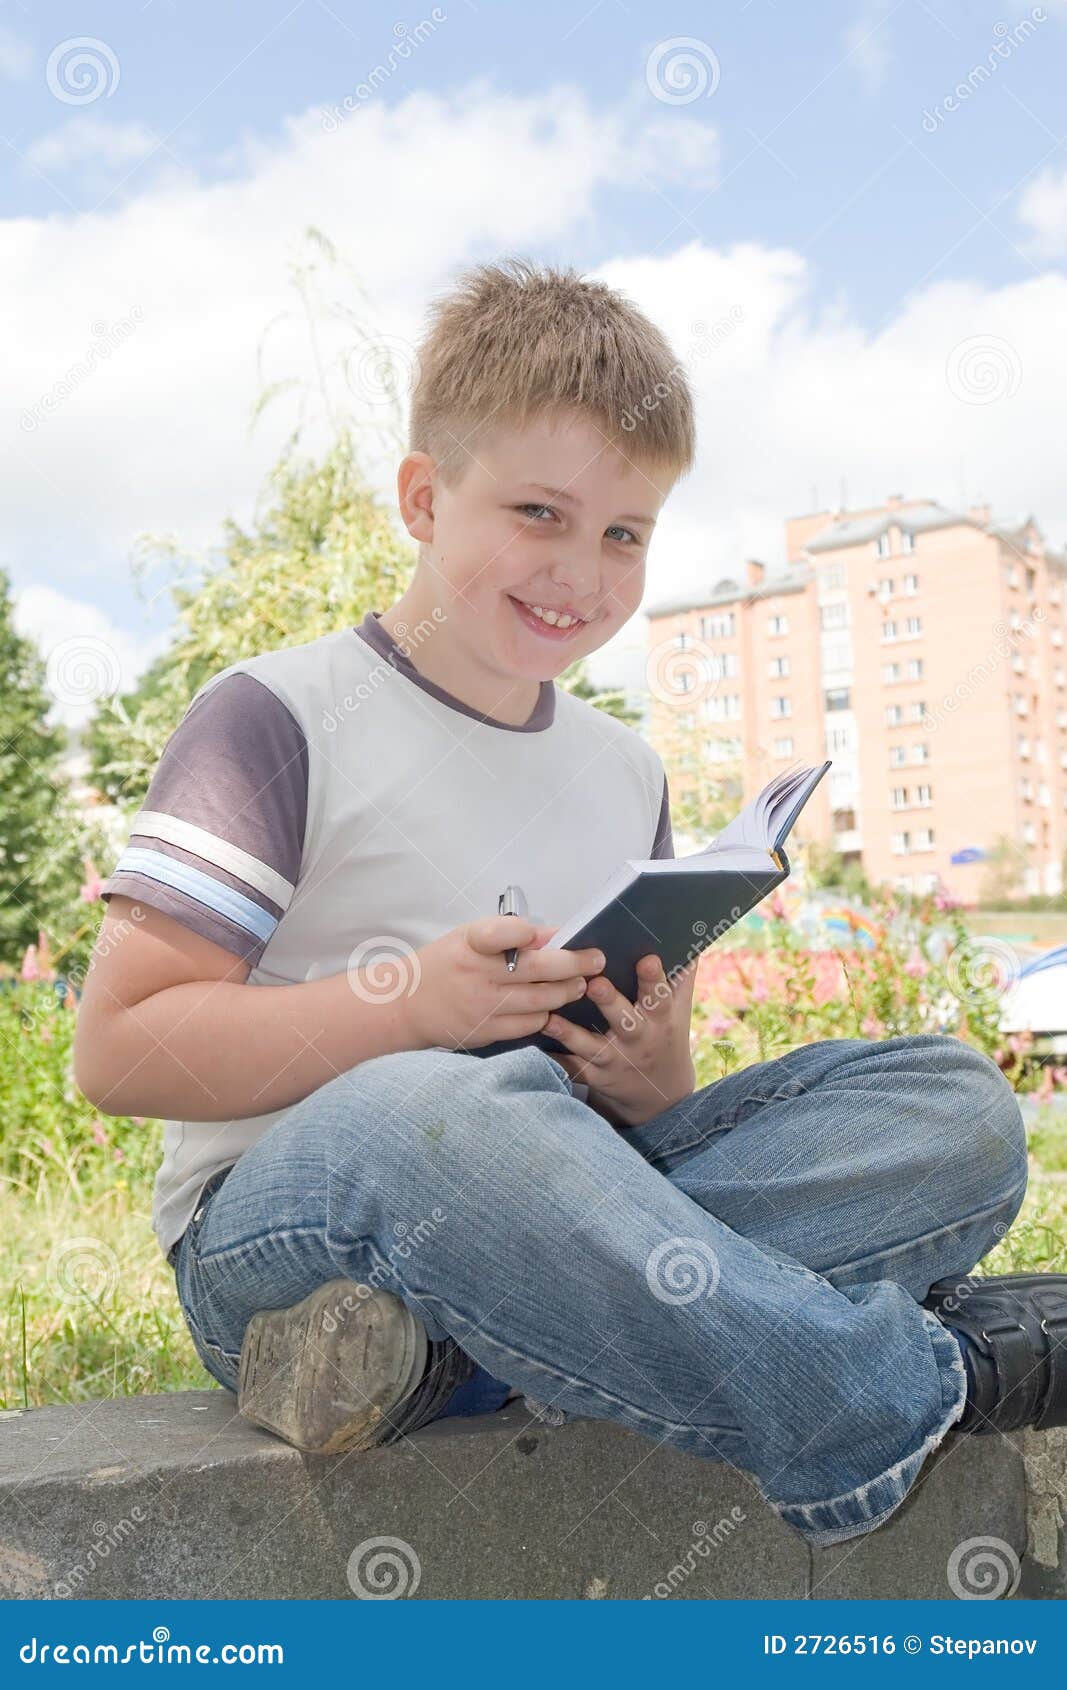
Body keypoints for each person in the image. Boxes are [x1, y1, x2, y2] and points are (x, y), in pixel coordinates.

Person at [75, 257, 1066, 1548]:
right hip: (282, 1242)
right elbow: (118, 1049)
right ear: (424, 499)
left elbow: (644, 1122)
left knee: (954, 1109)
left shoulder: (624, 770)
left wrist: (647, 1070)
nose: (583, 572)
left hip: (556, 1213)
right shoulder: (274, 717)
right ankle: (889, 1388)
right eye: (539, 512)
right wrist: (408, 1005)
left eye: (625, 533)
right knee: (441, 1099)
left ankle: (458, 1357)